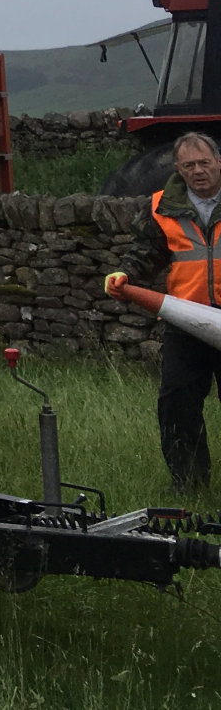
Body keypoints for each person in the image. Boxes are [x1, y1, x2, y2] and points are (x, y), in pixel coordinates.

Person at [106, 131, 221, 492]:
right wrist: (126, 275)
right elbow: (145, 253)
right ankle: (188, 483)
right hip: (185, 323)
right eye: (189, 165)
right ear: (178, 168)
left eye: (204, 163)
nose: (198, 171)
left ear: (219, 162)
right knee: (177, 404)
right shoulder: (159, 206)